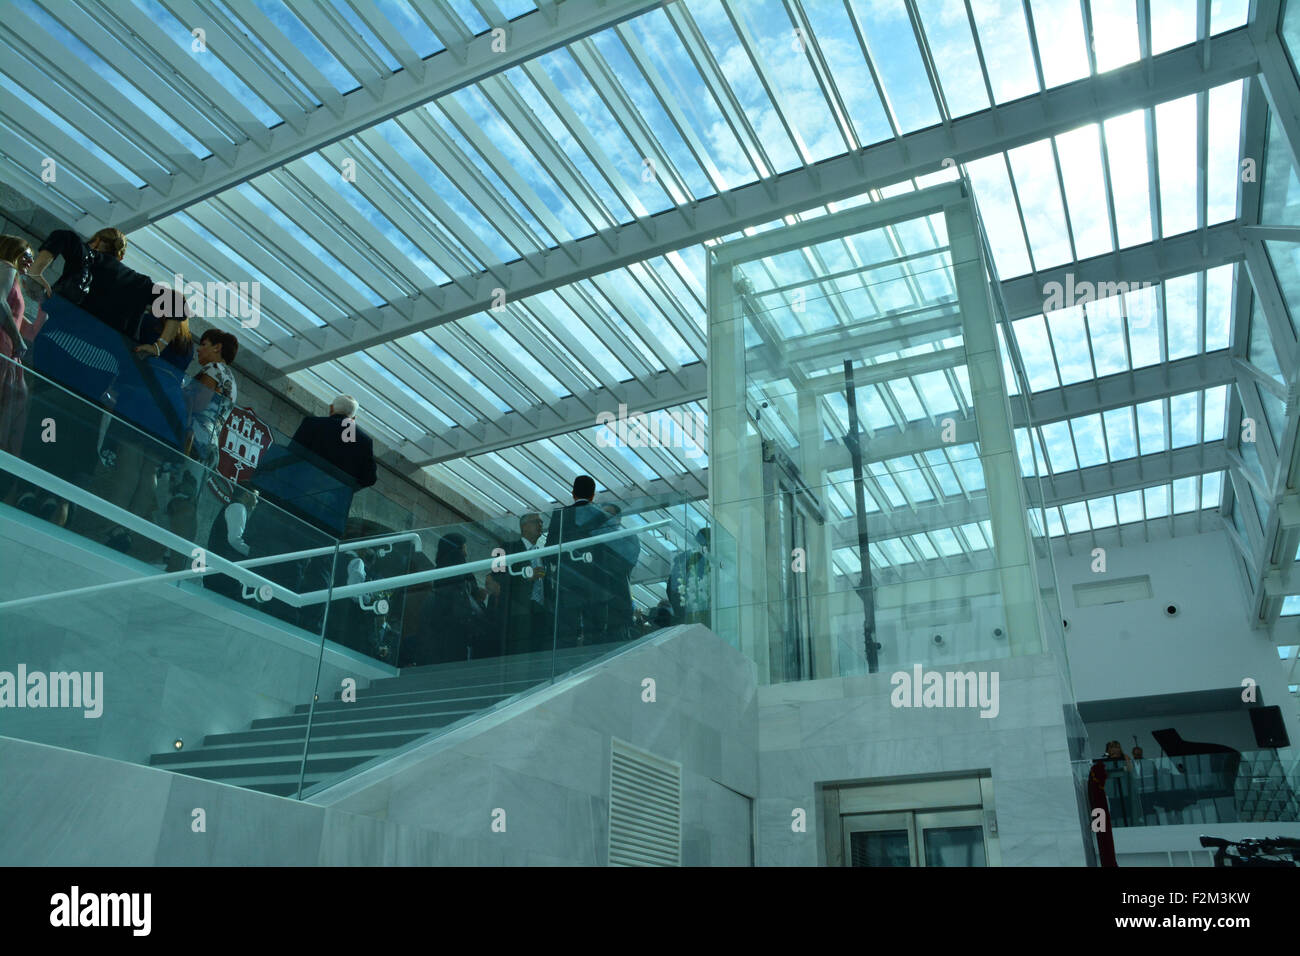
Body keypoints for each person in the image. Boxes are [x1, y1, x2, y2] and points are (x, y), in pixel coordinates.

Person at [406, 533, 491, 665]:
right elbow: (465, 611)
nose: (466, 554)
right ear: (458, 550)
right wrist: (478, 599)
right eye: (464, 548)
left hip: (432, 646)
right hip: (452, 645)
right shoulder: (461, 573)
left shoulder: (438, 574)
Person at [544, 476, 609, 646]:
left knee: (566, 632)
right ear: (593, 495)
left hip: (566, 582)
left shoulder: (560, 515)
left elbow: (549, 550)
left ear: (573, 493)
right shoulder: (602, 516)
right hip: (595, 583)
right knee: (594, 633)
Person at [487, 513, 553, 657]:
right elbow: (496, 578)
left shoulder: (543, 554)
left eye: (542, 523)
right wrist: (527, 577)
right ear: (524, 526)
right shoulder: (508, 548)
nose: (541, 526)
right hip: (517, 613)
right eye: (537, 522)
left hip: (540, 614)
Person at [0, 236, 33, 463]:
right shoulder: (7, 267)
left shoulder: (14, 277)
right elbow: (0, 302)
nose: (30, 262)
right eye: (28, 256)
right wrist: (17, 339)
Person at [202, 485, 258, 602]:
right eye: (256, 497)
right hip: (223, 570)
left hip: (217, 567)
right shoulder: (238, 508)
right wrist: (253, 554)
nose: (257, 501)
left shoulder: (232, 507)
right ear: (247, 495)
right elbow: (235, 540)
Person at [596, 503, 640, 645]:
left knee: (618, 631)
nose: (605, 517)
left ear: (618, 519)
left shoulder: (628, 537)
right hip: (597, 593)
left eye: (609, 514)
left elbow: (626, 562)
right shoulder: (591, 536)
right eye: (602, 514)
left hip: (618, 592)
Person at [668, 526, 711, 626]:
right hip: (692, 615)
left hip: (685, 615)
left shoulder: (682, 559)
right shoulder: (700, 561)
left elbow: (671, 588)